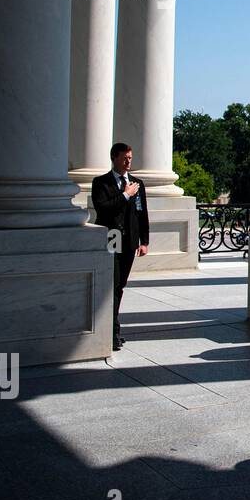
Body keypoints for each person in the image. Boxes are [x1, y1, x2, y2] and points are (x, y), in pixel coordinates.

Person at [92, 142, 150, 351]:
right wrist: (125, 195)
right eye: (125, 158)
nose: (128, 162)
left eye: (130, 158)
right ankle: (111, 332)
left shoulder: (137, 183)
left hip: (129, 239)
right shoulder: (101, 183)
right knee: (112, 284)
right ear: (114, 158)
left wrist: (144, 241)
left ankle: (113, 330)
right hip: (112, 236)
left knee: (120, 284)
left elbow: (142, 214)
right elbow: (104, 208)